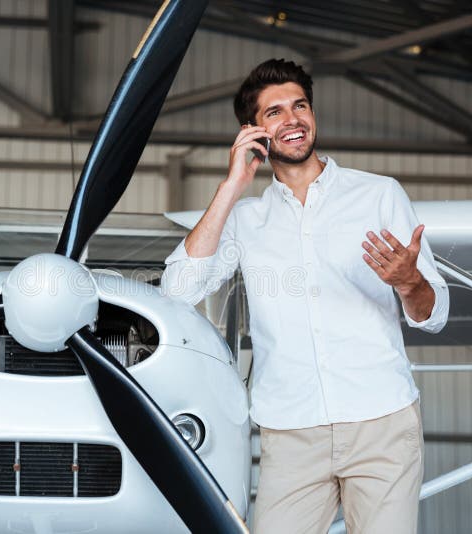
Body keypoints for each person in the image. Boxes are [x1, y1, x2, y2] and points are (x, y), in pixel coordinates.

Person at [161, 59, 449, 534]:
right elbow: (177, 289)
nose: (293, 119)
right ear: (252, 132)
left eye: (300, 106)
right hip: (291, 432)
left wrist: (409, 283)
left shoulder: (379, 195)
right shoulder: (244, 219)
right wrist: (233, 184)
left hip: (382, 422)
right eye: (274, 112)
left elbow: (433, 314)